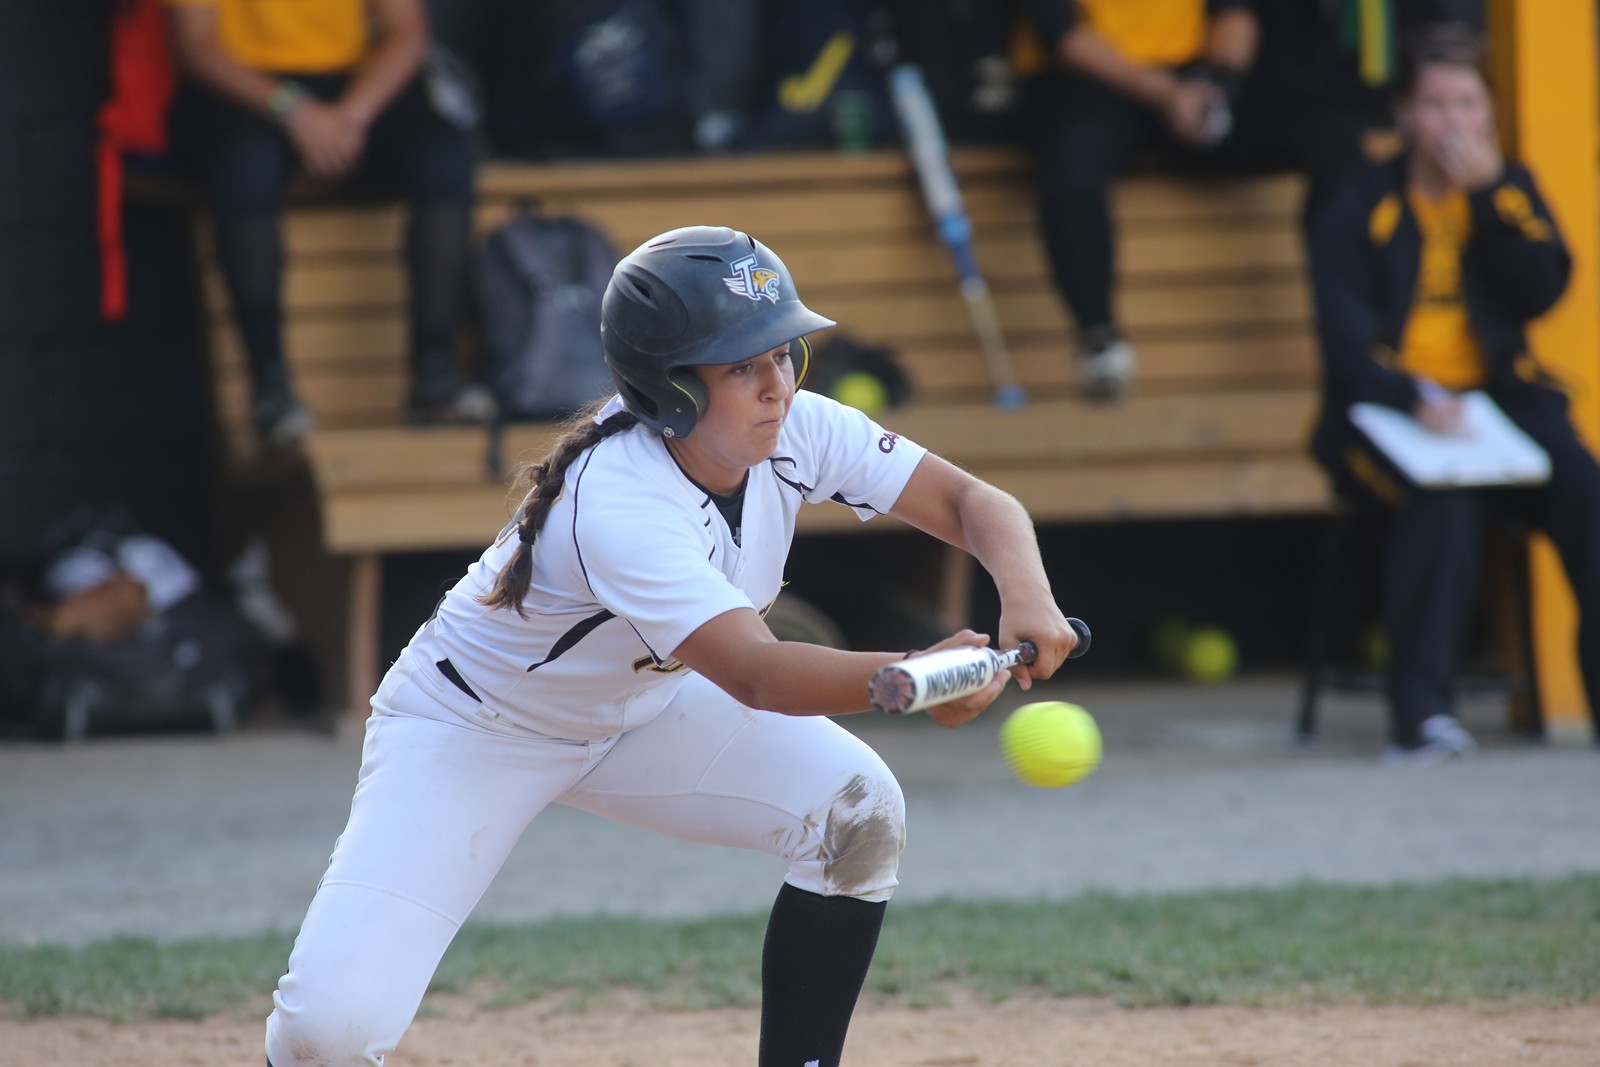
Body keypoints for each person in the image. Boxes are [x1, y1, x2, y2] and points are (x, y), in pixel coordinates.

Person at [262, 225, 1081, 1067]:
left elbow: (973, 501)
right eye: (741, 366)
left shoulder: (795, 426)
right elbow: (760, 674)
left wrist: (1029, 594)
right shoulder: (621, 500)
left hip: (644, 705)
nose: (776, 387)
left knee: (856, 811)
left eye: (784, 354)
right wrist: (908, 676)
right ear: (670, 390)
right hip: (477, 727)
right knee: (325, 1033)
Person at [1306, 24, 1600, 764]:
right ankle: (1424, 719)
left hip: (1499, 405)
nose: (1453, 123)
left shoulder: (1506, 188)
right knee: (1442, 505)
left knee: (1586, 493)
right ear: (1405, 114)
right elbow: (1344, 339)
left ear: (1489, 116)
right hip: (1385, 413)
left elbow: (1544, 286)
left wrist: (1492, 195)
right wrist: (1413, 397)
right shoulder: (1358, 197)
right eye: (1435, 105)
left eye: (1468, 104)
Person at [1016, 0, 1388, 403]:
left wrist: (1219, 84)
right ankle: (1099, 339)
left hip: (1192, 81)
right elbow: (1063, 37)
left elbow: (1238, 12)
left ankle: (1355, 331)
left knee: (1334, 137)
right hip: (1096, 83)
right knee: (1072, 146)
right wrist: (1166, 93)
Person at [164, 0, 495, 450]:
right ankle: (271, 394)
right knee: (243, 169)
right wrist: (296, 111)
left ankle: (435, 378)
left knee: (446, 156)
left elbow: (407, 34)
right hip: (245, 92)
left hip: (353, 91)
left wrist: (351, 117)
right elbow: (197, 48)